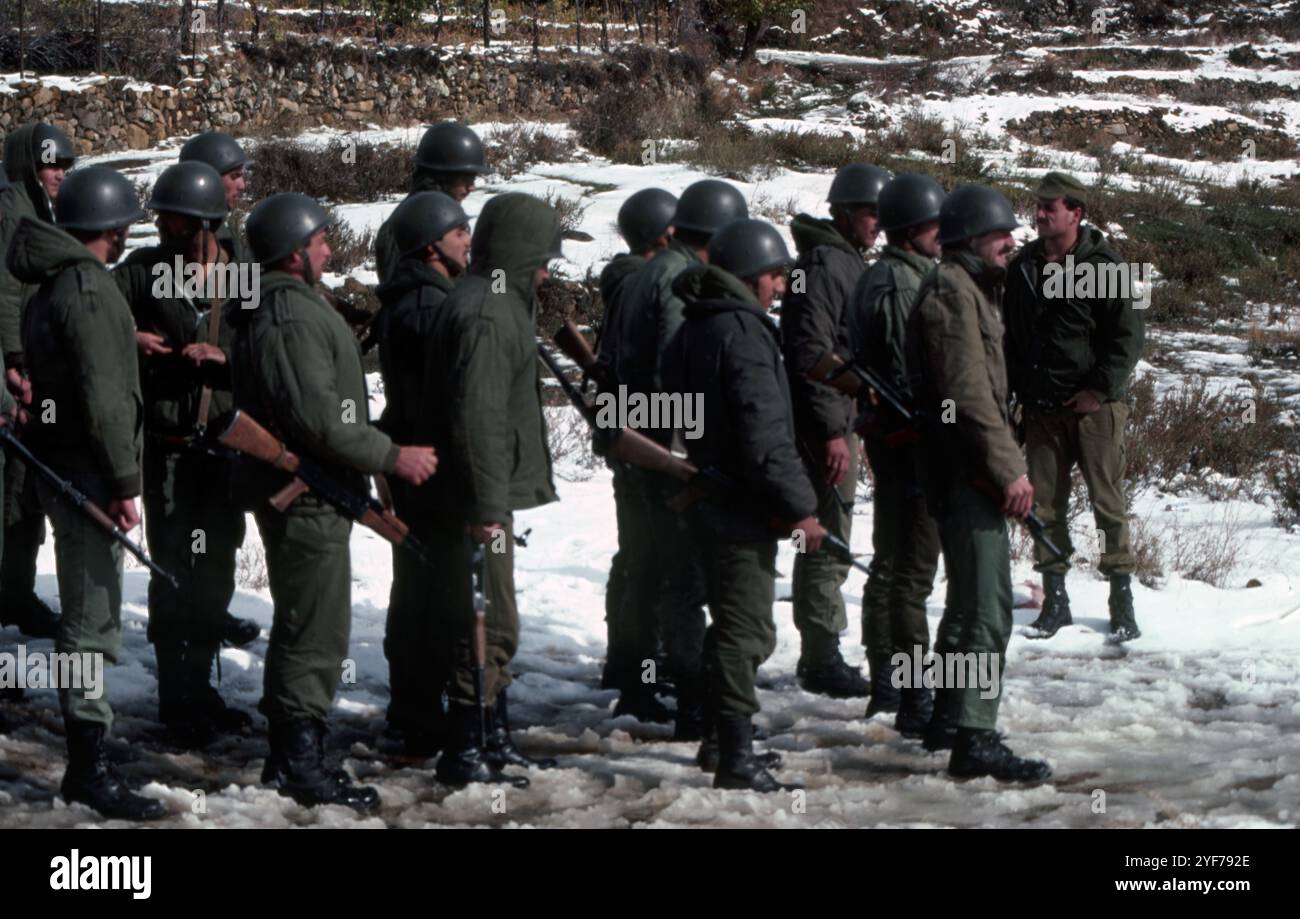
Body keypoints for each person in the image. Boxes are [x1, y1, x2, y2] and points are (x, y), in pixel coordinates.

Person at [230, 192, 438, 811]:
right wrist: (390, 455)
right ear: (295, 254)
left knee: (310, 622)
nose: (329, 247)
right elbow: (318, 421)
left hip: (316, 489)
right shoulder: (290, 315)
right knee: (313, 629)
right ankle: (300, 765)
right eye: (319, 239)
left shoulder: (288, 304)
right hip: (308, 494)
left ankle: (291, 753)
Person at [13, 165, 167, 819]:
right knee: (88, 622)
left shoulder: (52, 288)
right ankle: (87, 767)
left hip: (64, 468)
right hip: (89, 477)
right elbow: (104, 398)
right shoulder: (91, 289)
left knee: (87, 613)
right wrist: (124, 482)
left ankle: (90, 754)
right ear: (112, 226)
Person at [663, 218, 826, 791]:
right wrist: (802, 506)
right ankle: (735, 758)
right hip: (737, 506)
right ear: (751, 275)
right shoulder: (742, 332)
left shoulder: (694, 327)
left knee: (729, 624)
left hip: (709, 498)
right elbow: (764, 432)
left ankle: (718, 740)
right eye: (775, 275)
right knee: (748, 632)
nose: (781, 287)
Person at [905, 184, 1051, 780]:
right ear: (968, 240)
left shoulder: (966, 291)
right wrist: (1008, 468)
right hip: (966, 473)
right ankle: (976, 736)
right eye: (1000, 235)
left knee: (967, 605)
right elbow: (967, 395)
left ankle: (948, 717)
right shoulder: (951, 293)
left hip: (962, 469)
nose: (1011, 244)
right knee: (988, 610)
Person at [417, 192, 562, 788]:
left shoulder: (496, 304)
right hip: (476, 502)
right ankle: (468, 751)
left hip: (483, 497)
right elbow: (476, 419)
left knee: (494, 619)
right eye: (543, 257)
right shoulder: (486, 312)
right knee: (484, 623)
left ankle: (491, 737)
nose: (548, 271)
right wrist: (485, 508)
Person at [113, 160, 253, 746]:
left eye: (176, 219)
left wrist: (228, 362)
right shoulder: (143, 272)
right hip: (168, 451)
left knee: (216, 569)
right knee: (172, 573)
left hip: (222, 450)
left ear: (205, 221)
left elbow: (271, 346)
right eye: (162, 218)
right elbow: (89, 309)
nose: (165, 227)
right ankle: (177, 698)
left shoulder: (242, 276)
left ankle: (202, 687)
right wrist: (133, 338)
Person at [1003, 172, 1145, 642]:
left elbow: (1127, 338)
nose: (1040, 214)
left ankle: (1121, 599)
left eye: (1050, 207)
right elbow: (1012, 338)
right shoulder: (1023, 266)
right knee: (1045, 507)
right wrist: (1012, 397)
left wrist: (1099, 390)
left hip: (1094, 411)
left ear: (1075, 213)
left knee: (1108, 504)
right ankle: (1055, 600)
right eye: (1037, 207)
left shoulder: (1105, 266)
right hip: (1041, 408)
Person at [782, 162, 889, 699]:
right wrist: (829, 430)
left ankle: (820, 651)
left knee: (828, 534)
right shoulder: (828, 265)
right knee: (826, 537)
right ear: (845, 213)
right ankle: (820, 656)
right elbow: (810, 352)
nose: (878, 223)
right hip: (825, 426)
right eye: (871, 212)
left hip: (840, 421)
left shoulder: (840, 261)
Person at [372, 190, 471, 756]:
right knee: (434, 590)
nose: (467, 240)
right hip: (430, 466)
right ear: (432, 244)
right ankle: (421, 708)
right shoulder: (431, 307)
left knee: (415, 584)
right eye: (458, 232)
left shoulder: (409, 298)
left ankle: (412, 704)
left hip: (414, 462)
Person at [847, 172, 945, 734]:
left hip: (891, 435)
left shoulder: (886, 275)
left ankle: (888, 684)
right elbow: (911, 369)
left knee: (891, 564)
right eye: (934, 225)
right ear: (912, 230)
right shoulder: (901, 283)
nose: (942, 234)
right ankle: (908, 694)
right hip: (907, 440)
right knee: (909, 572)